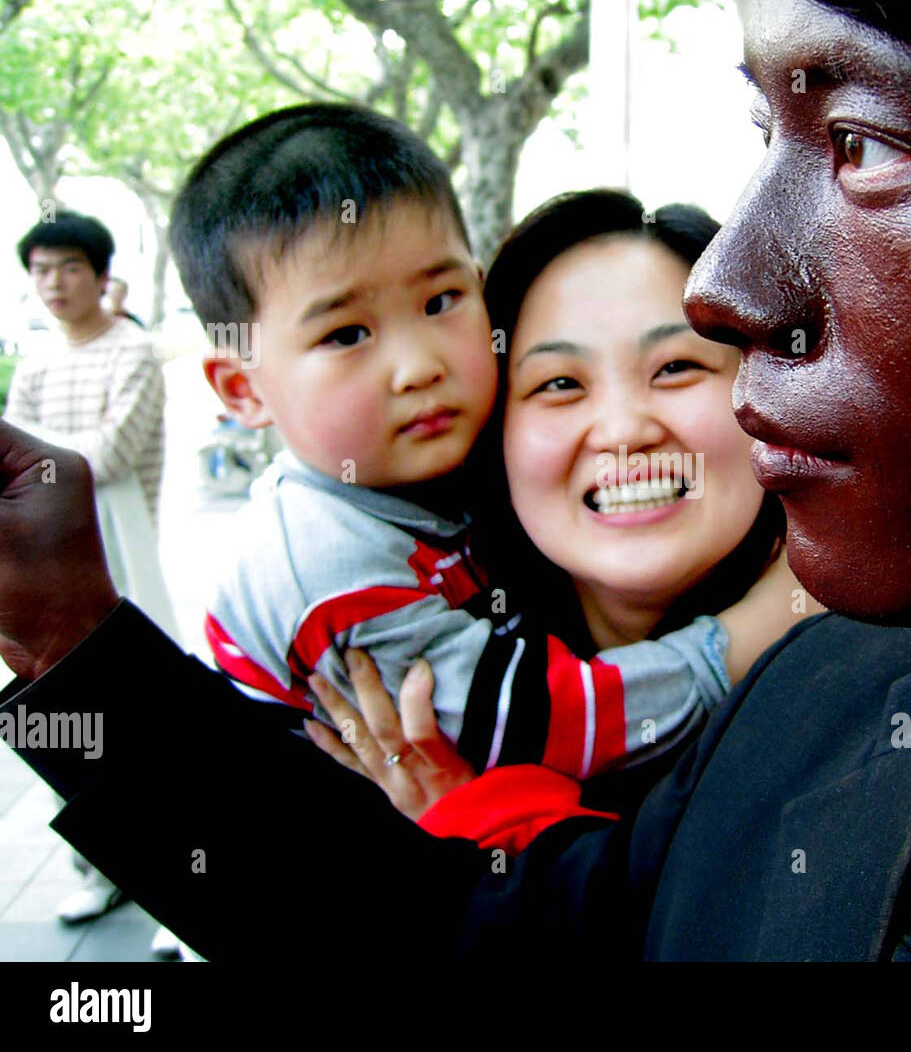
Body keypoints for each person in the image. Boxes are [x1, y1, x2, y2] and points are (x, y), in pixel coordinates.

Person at [0, 0, 911, 962]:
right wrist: (66, 640)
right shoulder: (819, 685)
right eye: (554, 381)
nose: (732, 288)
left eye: (863, 140)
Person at [176, 106, 800, 841]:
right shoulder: (323, 561)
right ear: (242, 388)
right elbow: (541, 726)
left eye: (440, 302)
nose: (419, 366)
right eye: (559, 384)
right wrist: (734, 643)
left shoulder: (871, 680)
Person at [304, 188, 798, 825]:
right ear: (494, 435)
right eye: (560, 384)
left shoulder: (863, 678)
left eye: (676, 367)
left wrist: (476, 852)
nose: (622, 430)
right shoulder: (417, 672)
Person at [2, 211, 173, 925]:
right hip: (49, 579)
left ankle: (175, 893)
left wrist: (49, 458)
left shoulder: (134, 353)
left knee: (152, 721)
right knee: (68, 718)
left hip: (124, 564)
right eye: (40, 269)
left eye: (69, 267)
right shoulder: (37, 360)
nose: (54, 282)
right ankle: (103, 872)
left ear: (102, 275)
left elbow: (102, 459)